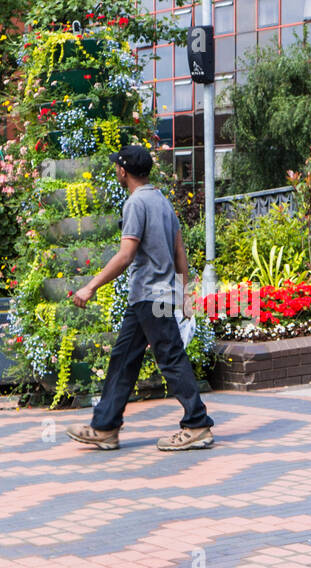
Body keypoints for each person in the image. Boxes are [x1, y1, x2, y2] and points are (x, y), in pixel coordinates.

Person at [65, 144, 214, 451]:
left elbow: (125, 255)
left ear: (123, 170)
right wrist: (185, 294)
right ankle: (105, 427)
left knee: (170, 357)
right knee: (124, 359)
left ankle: (197, 424)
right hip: (150, 297)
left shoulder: (136, 204)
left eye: (116, 168)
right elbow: (180, 253)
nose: (116, 172)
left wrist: (90, 286)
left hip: (149, 295)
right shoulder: (162, 201)